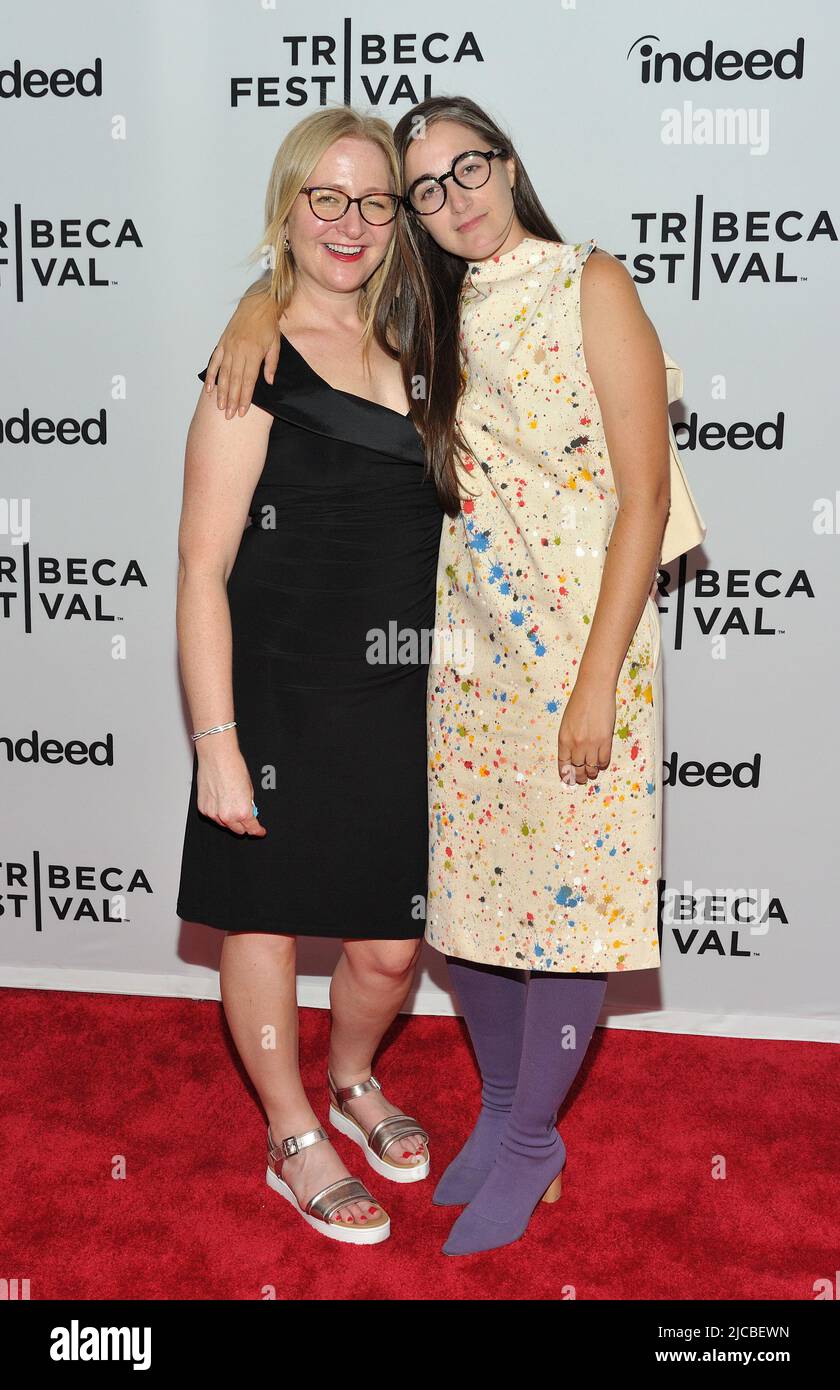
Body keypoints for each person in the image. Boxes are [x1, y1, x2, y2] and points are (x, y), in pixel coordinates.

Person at [206, 95, 684, 1257]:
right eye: (425, 188)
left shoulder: (592, 281)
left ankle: (530, 1138)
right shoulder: (435, 313)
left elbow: (647, 494)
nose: (451, 197)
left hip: (583, 652)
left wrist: (594, 677)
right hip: (462, 663)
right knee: (477, 908)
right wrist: (252, 303)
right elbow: (317, 287)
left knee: (571, 907)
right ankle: (494, 1119)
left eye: (467, 168)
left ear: (509, 165)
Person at [176, 106, 444, 1246]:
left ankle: (347, 1076)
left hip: (397, 693)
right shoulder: (254, 357)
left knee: (390, 945)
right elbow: (200, 566)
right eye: (324, 197)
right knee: (269, 921)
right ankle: (292, 1133)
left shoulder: (429, 342)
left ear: (398, 219)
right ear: (288, 207)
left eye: (373, 200)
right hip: (277, 685)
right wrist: (218, 741)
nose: (349, 220)